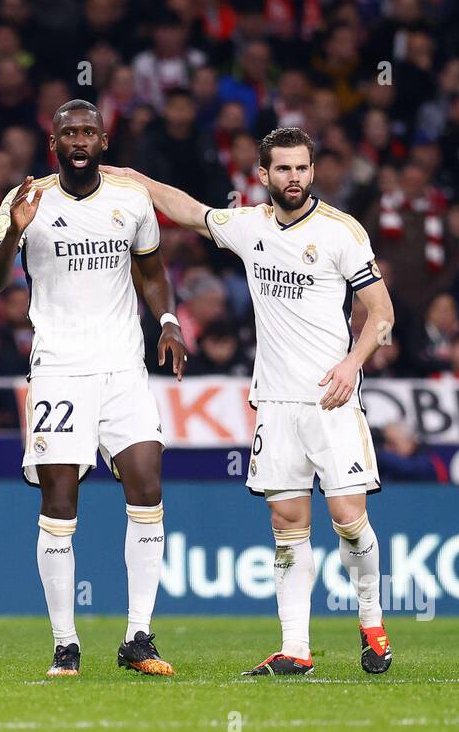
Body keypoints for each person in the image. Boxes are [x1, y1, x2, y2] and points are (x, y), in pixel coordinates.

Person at [107, 126, 397, 677]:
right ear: (264, 175)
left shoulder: (342, 232)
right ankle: (295, 649)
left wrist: (351, 364)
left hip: (332, 400)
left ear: (313, 171)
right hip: (276, 403)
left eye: (302, 167)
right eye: (283, 168)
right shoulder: (250, 226)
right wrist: (135, 179)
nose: (294, 177)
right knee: (286, 523)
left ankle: (371, 621)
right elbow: (192, 213)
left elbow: (382, 315)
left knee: (348, 518)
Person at [0, 99, 189, 678]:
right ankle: (65, 644)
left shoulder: (131, 198)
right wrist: (14, 233)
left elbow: (152, 272)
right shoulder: (26, 199)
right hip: (58, 370)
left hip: (123, 368)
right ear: (54, 144)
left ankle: (138, 637)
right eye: (68, 133)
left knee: (147, 485)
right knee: (59, 502)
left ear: (103, 141)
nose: (79, 140)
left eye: (88, 132)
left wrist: (168, 321)